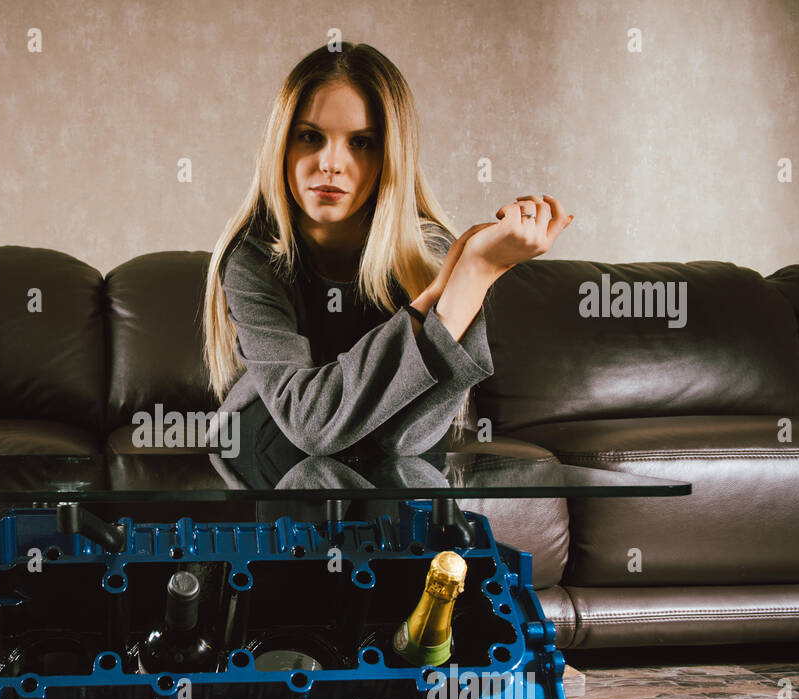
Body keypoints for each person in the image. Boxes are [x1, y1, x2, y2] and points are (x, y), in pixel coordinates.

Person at [201, 42, 574, 496]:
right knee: (312, 447)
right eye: (310, 136)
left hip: (383, 467)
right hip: (267, 449)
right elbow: (312, 429)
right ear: (281, 144)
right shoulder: (253, 257)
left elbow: (411, 442)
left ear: (389, 157)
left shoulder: (429, 250)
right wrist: (431, 304)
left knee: (395, 464)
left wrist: (474, 273)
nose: (330, 163)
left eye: (361, 143)